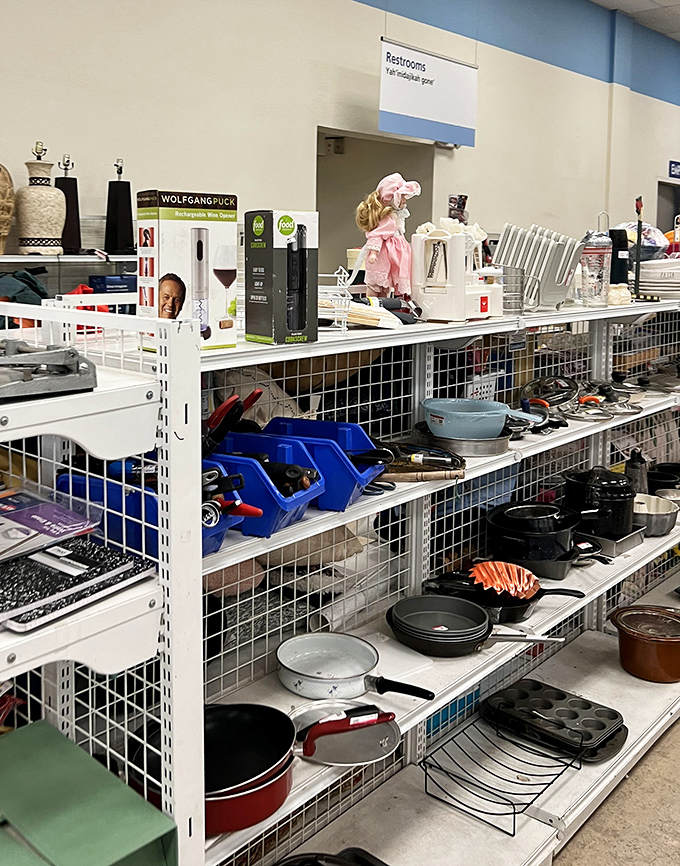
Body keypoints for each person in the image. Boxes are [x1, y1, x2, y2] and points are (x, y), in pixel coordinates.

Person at [355, 172, 421, 297]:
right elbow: (377, 235)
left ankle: (383, 306)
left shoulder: (395, 216)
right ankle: (371, 304)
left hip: (394, 254)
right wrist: (374, 253)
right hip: (384, 255)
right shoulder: (387, 219)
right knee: (376, 284)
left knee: (386, 287)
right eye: (402, 197)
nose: (404, 201)